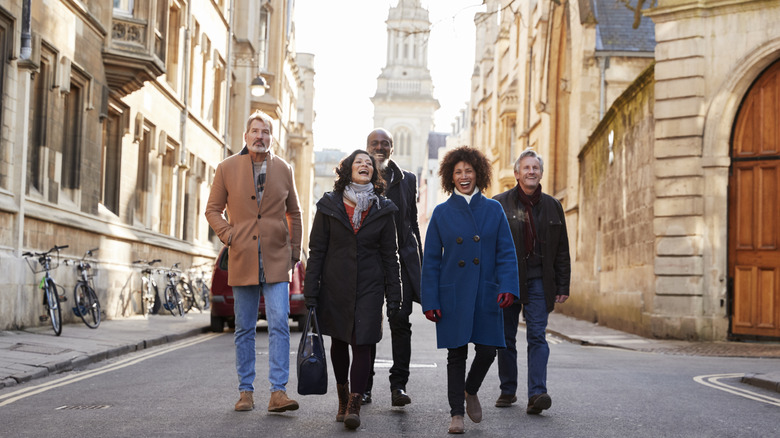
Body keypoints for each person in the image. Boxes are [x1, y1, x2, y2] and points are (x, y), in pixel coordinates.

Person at [205, 110, 302, 413]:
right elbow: (212, 210)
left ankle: (278, 392)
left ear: (272, 138)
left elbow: (295, 213)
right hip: (243, 257)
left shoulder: (285, 169)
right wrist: (229, 235)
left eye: (266, 132)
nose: (260, 136)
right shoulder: (226, 168)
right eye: (255, 131)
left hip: (276, 259)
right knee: (244, 327)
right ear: (246, 136)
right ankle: (245, 391)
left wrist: (295, 253)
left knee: (279, 325)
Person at [421, 146, 519, 434]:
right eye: (458, 172)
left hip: (486, 290)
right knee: (456, 353)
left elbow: (506, 253)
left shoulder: (493, 209)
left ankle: (470, 389)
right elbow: (431, 262)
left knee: (489, 350)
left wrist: (508, 286)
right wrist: (430, 300)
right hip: (453, 292)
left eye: (469, 171)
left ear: (479, 173)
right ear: (450, 177)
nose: (464, 176)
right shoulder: (441, 213)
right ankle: (456, 414)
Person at [303, 149, 402, 430]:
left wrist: (394, 294)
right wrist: (311, 291)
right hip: (335, 285)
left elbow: (390, 255)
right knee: (340, 342)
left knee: (363, 342)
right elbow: (317, 250)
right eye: (358, 162)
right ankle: (343, 394)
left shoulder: (384, 209)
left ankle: (355, 404)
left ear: (373, 172)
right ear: (348, 169)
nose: (364, 165)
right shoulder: (328, 205)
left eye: (368, 163)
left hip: (370, 286)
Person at [492, 148, 571, 415]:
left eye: (535, 168)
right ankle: (508, 389)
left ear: (541, 173)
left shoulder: (553, 206)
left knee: (537, 335)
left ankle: (537, 393)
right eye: (526, 168)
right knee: (505, 337)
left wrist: (563, 285)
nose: (531, 172)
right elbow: (489, 247)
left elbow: (562, 249)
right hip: (508, 280)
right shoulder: (499, 204)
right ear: (516, 173)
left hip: (540, 280)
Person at [363, 128, 423, 407]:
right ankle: (364, 387)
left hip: (400, 264)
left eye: (385, 144)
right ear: (366, 147)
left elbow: (412, 223)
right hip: (370, 265)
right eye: (375, 143)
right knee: (368, 327)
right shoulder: (359, 174)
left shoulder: (407, 179)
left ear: (392, 149)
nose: (380, 147)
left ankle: (398, 386)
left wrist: (418, 261)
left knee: (400, 324)